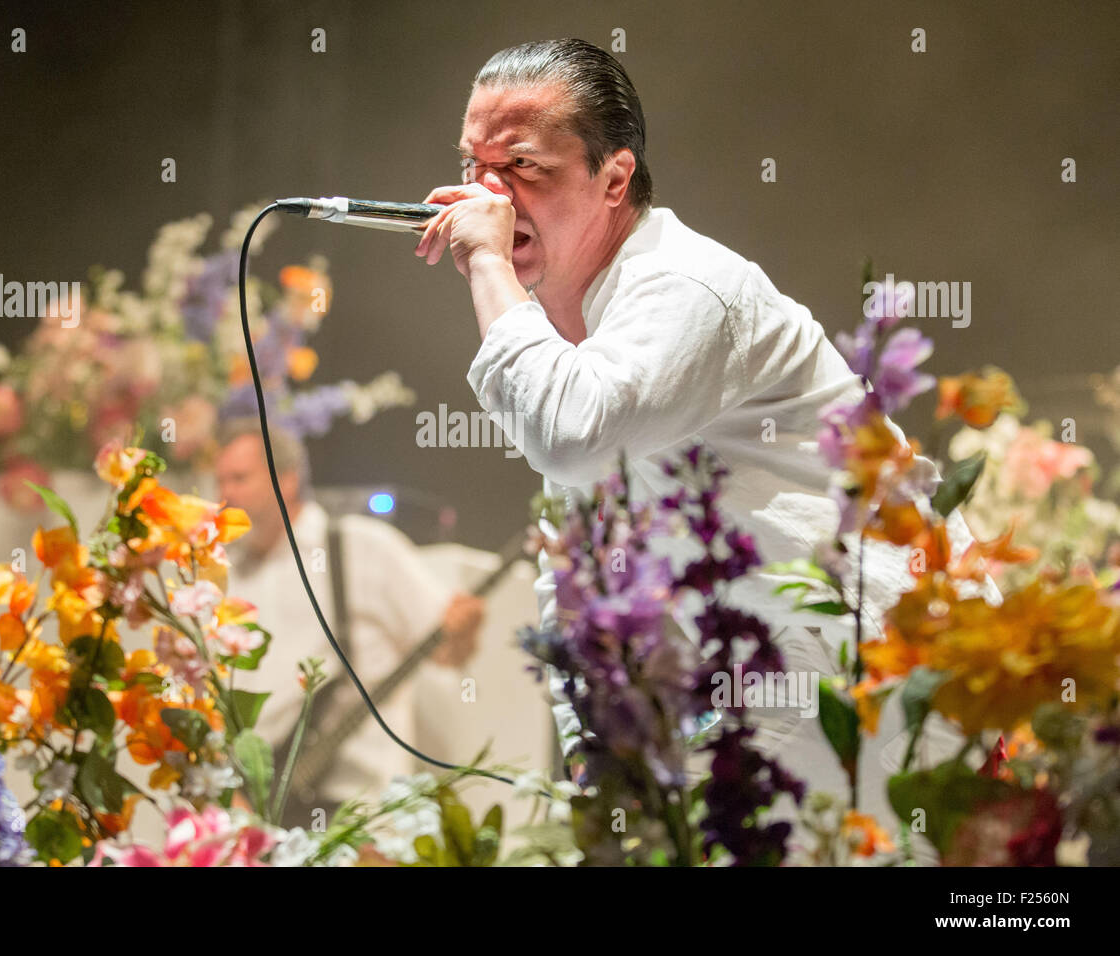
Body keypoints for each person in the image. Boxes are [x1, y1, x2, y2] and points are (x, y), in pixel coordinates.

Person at [412, 38, 999, 858]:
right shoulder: (573, 322)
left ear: (614, 179)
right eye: (472, 166)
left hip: (870, 692)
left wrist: (484, 261)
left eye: (520, 167)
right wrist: (598, 751)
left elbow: (568, 437)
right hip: (752, 708)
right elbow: (579, 554)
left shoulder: (684, 287)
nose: (487, 197)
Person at [213, 416, 484, 825]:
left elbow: (446, 648)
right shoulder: (230, 573)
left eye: (239, 479)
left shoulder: (361, 546)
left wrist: (464, 628)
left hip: (357, 811)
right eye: (221, 482)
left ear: (286, 479)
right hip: (255, 810)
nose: (225, 495)